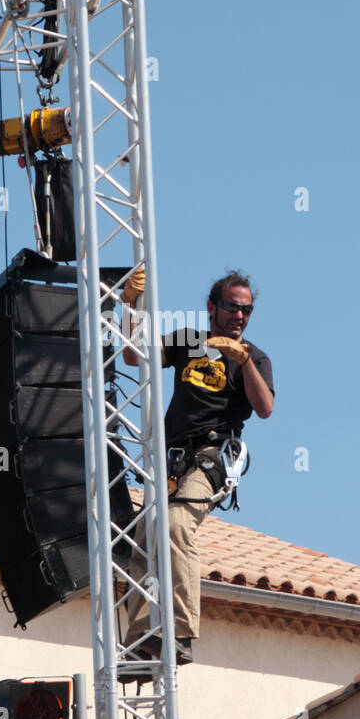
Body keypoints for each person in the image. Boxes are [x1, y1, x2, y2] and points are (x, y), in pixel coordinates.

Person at [120, 268, 274, 666]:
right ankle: (141, 637)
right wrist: (128, 307)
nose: (239, 316)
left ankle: (181, 632)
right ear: (212, 307)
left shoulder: (254, 358)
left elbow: (265, 408)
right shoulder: (190, 341)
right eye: (232, 307)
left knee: (174, 526)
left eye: (247, 310)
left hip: (210, 456)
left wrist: (245, 363)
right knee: (143, 539)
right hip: (171, 457)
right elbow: (134, 354)